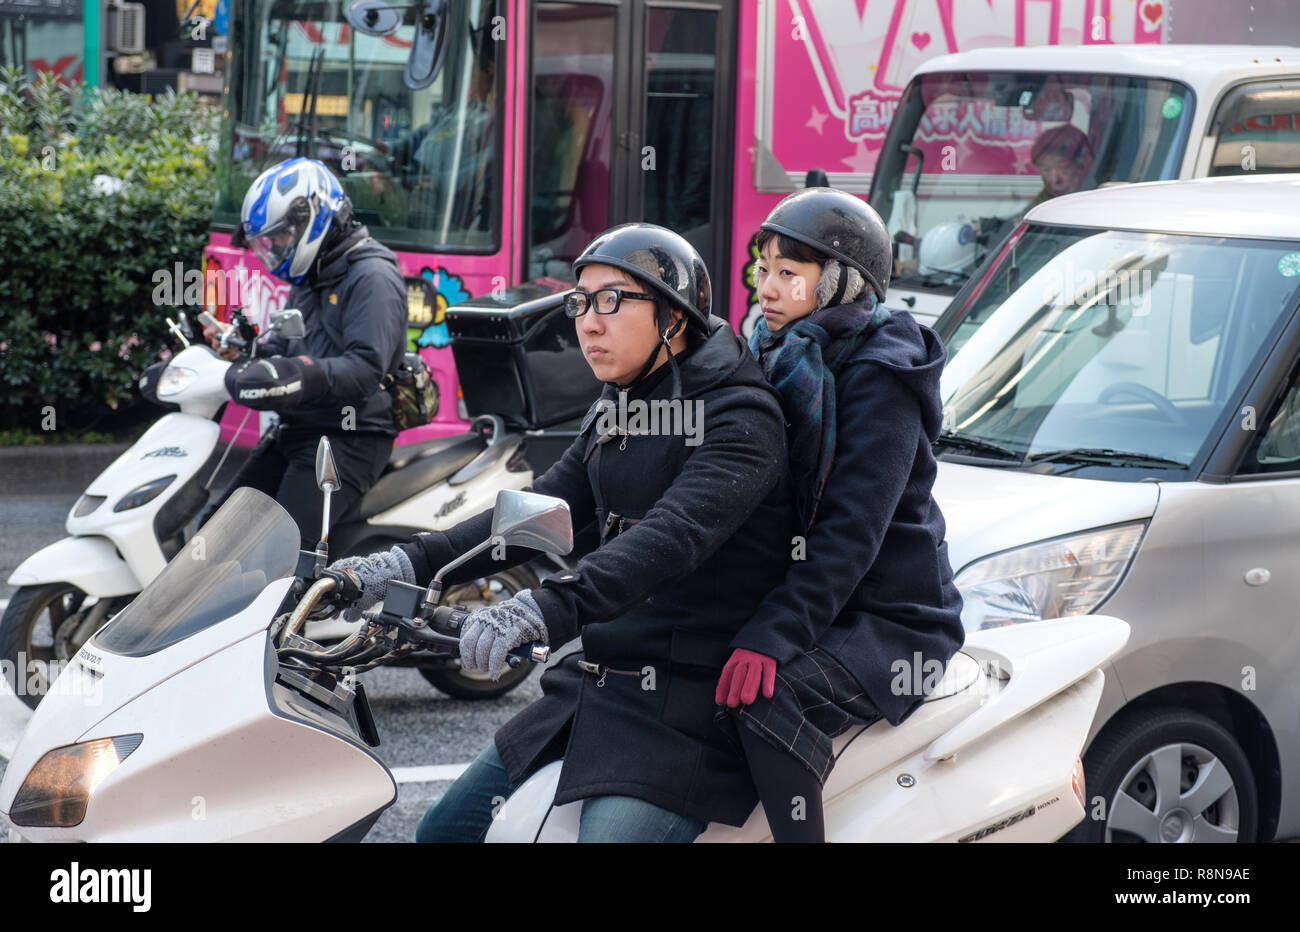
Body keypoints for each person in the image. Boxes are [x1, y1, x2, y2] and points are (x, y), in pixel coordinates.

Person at [329, 224, 798, 842]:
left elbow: (668, 540)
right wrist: (404, 566)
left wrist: (542, 609)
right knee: (446, 832)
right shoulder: (622, 400)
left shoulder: (742, 417)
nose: (588, 322)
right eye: (580, 301)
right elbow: (535, 517)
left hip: (689, 704)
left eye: (613, 299)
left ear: (674, 317)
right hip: (600, 683)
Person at [714, 186, 966, 843]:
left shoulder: (881, 374)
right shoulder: (772, 354)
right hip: (814, 597)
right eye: (761, 269)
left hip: (891, 616)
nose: (766, 288)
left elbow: (851, 531)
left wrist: (775, 631)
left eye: (788, 274)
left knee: (765, 698)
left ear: (838, 284)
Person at [201, 157, 408, 549]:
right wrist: (244, 349)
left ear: (312, 218)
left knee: (281, 556)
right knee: (215, 535)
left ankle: (295, 610)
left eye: (280, 236)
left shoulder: (372, 277)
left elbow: (365, 369)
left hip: (350, 438)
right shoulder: (312, 274)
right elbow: (284, 344)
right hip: (298, 429)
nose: (276, 247)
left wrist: (302, 373)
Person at [1024, 123, 1093, 212]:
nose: (1055, 180)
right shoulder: (1046, 199)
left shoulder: (1096, 202)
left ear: (1081, 164)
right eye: (1046, 170)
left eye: (1062, 167)